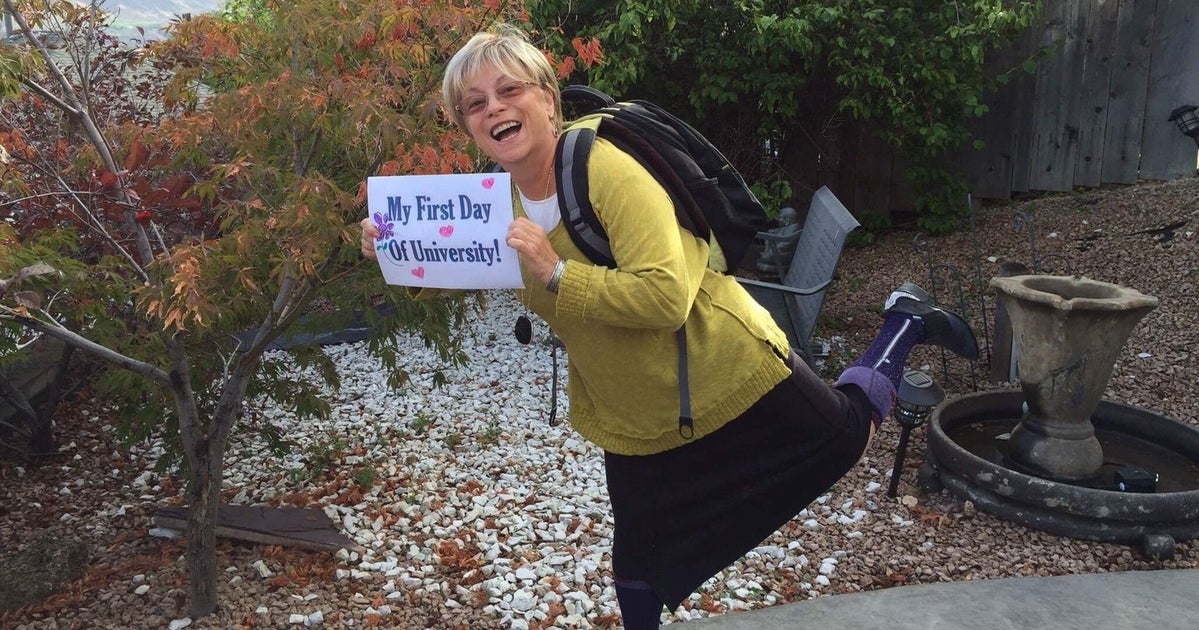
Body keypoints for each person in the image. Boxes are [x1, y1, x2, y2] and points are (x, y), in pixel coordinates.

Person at [360, 24, 979, 630]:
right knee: (639, 569)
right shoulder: (501, 202)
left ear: (547, 97)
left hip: (728, 366)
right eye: (474, 104)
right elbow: (470, 262)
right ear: (466, 125)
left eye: (509, 90)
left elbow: (665, 297)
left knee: (846, 439)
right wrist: (396, 251)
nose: (493, 108)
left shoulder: (606, 169)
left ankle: (903, 323)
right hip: (636, 410)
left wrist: (557, 275)